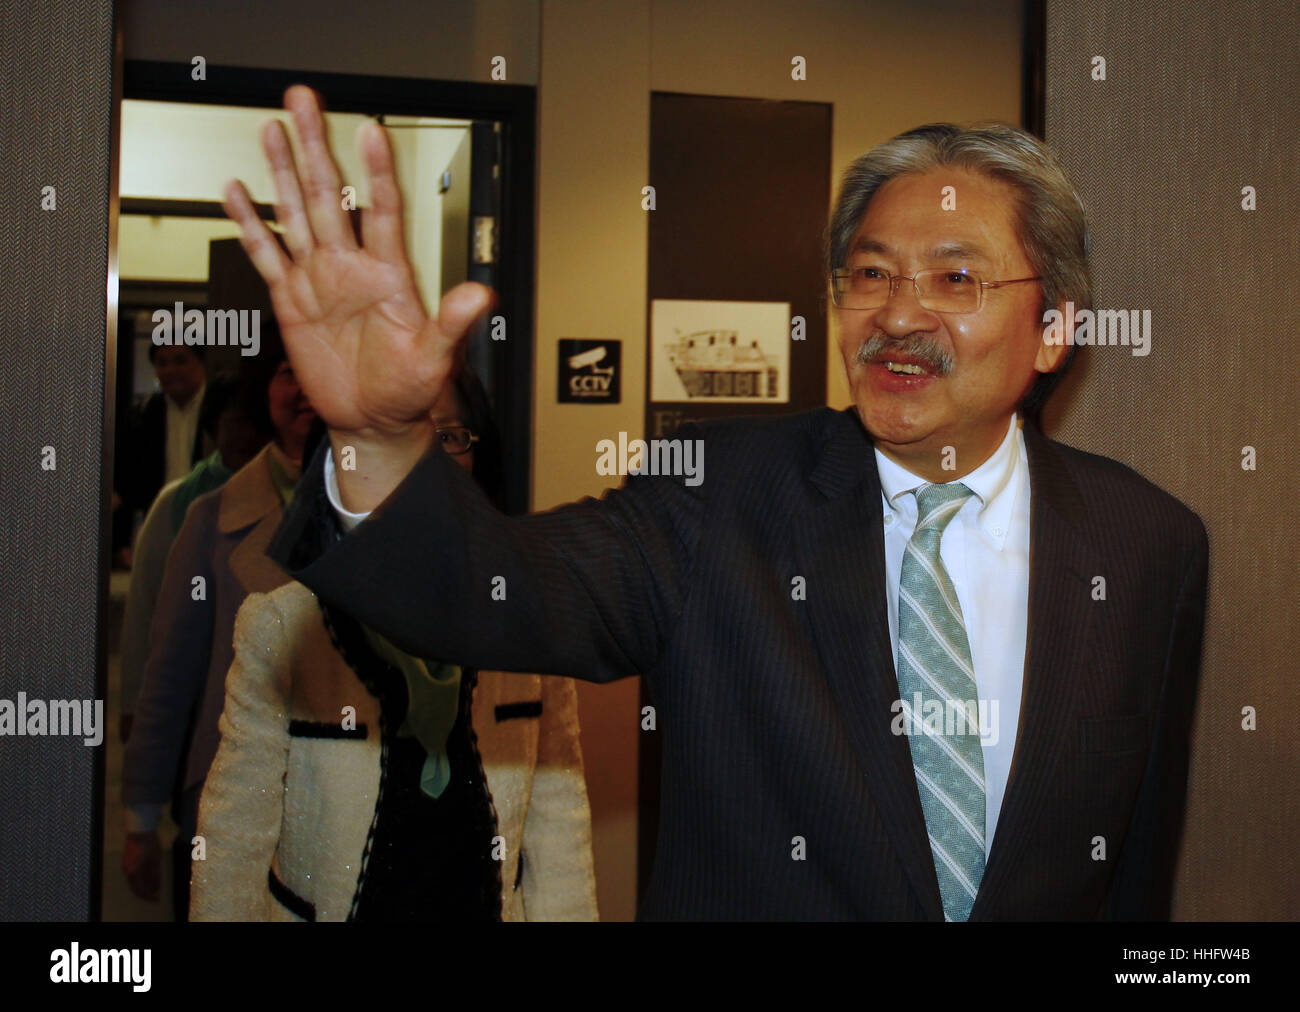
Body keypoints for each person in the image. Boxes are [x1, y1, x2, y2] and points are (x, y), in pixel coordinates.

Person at [223, 85, 1208, 920]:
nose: (898, 315)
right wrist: (380, 440)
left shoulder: (1146, 543)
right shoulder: (720, 496)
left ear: (1054, 327)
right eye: (868, 273)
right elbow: (492, 591)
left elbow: (1134, 859)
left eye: (955, 276)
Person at [190, 370, 598, 921]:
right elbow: (233, 842)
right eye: (401, 435)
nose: (426, 459)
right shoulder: (282, 627)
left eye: (451, 436)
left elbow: (559, 834)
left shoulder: (530, 624)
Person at [121, 325, 316, 919]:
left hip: (343, 800)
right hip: (223, 792)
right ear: (266, 392)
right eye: (288, 372)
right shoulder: (211, 517)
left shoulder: (387, 515)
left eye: (319, 369)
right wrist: (141, 816)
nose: (305, 387)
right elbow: (172, 672)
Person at [119, 377, 265, 744]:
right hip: (188, 691)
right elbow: (142, 609)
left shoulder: (285, 500)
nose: (241, 437)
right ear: (214, 430)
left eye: (251, 426)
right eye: (231, 425)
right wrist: (132, 703)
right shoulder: (179, 501)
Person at [114, 344, 214, 568]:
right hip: (160, 528)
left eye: (180, 360)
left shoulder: (218, 409)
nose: (170, 370)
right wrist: (121, 543)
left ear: (200, 362)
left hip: (212, 526)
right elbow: (126, 484)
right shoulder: (142, 415)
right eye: (162, 363)